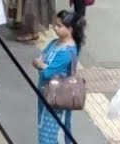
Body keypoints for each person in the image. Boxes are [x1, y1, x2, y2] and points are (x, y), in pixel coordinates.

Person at [34, 10, 84, 144]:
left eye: (59, 26)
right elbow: (40, 58)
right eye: (55, 24)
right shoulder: (56, 42)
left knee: (49, 136)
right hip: (47, 94)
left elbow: (46, 72)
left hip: (56, 99)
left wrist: (41, 65)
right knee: (44, 130)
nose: (55, 28)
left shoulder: (67, 52)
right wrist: (42, 64)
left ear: (70, 29)